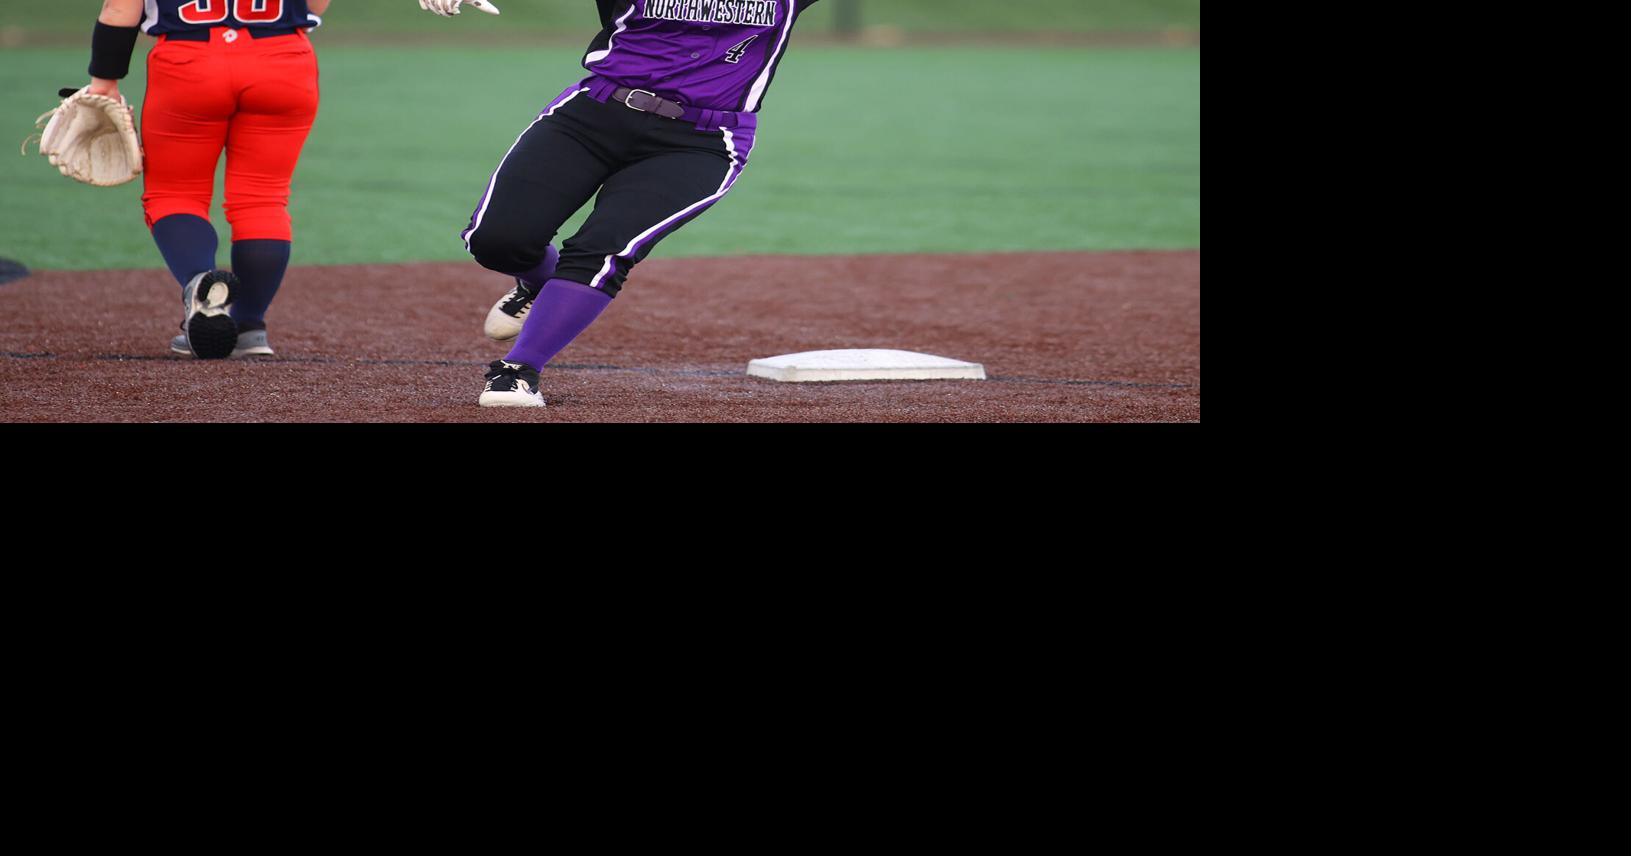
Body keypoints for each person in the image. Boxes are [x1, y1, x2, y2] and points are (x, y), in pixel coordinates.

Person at [420, 0, 822, 407]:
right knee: (496, 239)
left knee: (604, 248)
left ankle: (519, 370)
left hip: (701, 141)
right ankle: (539, 282)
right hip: (592, 115)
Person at [86, 0, 330, 359]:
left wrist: (104, 81)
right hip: (283, 58)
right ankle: (250, 327)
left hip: (190, 60)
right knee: (262, 199)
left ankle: (204, 290)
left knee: (174, 194)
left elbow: (119, 11)